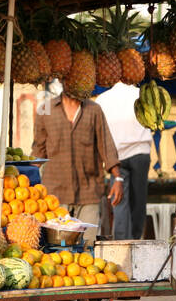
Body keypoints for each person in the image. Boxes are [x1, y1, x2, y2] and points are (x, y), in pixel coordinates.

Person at [31, 87, 122, 245]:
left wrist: (118, 177)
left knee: (87, 245)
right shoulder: (45, 109)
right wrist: (30, 183)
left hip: (88, 192)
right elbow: (38, 149)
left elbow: (106, 144)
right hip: (56, 194)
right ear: (64, 79)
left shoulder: (94, 110)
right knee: (57, 248)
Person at [96, 82, 152, 240]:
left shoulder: (102, 99)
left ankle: (122, 242)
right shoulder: (142, 93)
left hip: (116, 157)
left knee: (119, 201)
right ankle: (135, 238)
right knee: (139, 201)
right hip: (140, 152)